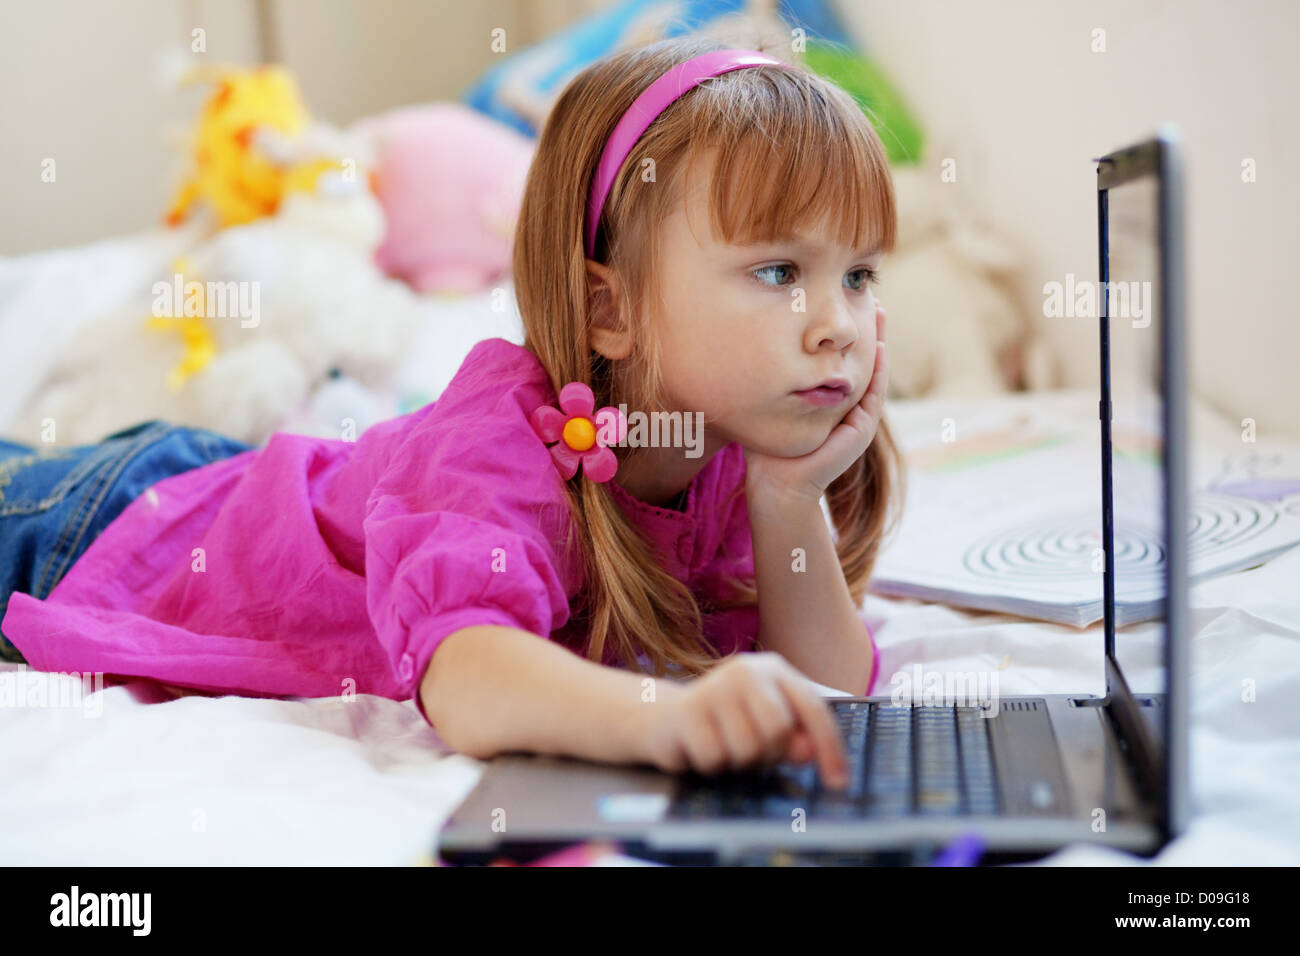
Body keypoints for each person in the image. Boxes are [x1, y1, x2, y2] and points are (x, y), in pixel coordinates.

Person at [1, 37, 904, 789]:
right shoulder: (501, 438)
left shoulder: (727, 457)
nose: (838, 326)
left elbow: (833, 692)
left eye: (858, 275)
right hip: (120, 521)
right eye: (780, 273)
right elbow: (467, 674)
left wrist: (791, 501)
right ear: (610, 311)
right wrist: (663, 720)